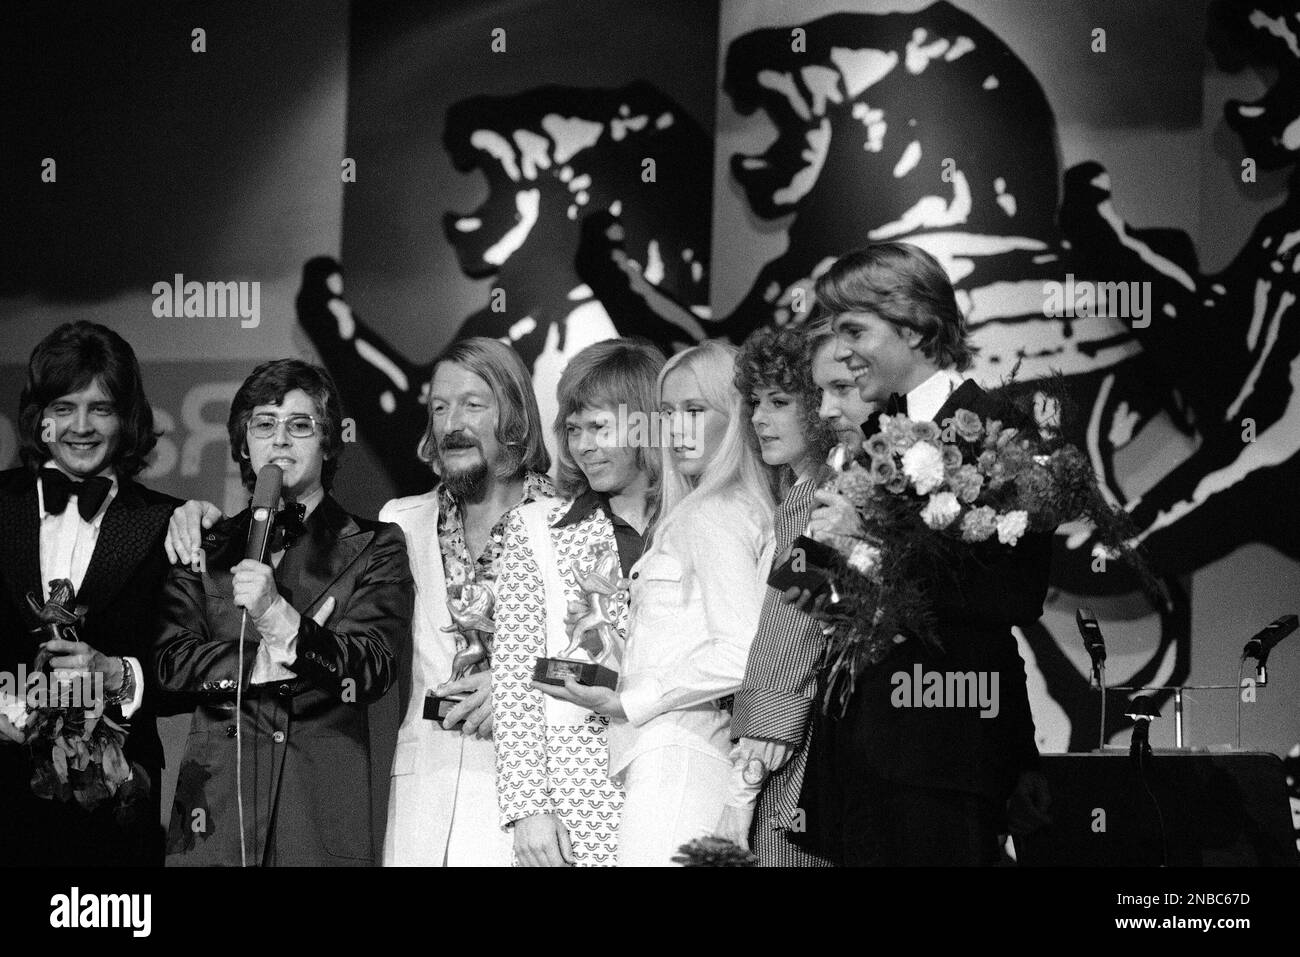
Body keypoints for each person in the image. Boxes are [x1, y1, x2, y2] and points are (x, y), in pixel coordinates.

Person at [794, 241, 1052, 865]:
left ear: (914, 326)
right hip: (859, 749)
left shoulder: (999, 433)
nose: (845, 352)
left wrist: (870, 545)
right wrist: (824, 564)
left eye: (855, 329)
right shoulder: (876, 436)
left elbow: (1013, 595)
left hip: (944, 749)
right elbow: (847, 592)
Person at [153, 358, 412, 866]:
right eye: (264, 425)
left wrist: (280, 618)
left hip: (316, 822)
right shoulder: (203, 544)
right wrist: (259, 664)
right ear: (243, 443)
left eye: (300, 425)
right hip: (214, 825)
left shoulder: (376, 545)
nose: (280, 440)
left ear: (328, 441)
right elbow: (169, 666)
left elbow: (371, 668)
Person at [539, 340, 774, 866]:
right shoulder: (707, 508)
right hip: (679, 752)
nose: (677, 430)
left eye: (696, 411)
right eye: (668, 414)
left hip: (679, 751)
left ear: (737, 414)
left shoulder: (713, 513)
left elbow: (743, 651)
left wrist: (631, 699)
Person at [0, 321, 179, 866]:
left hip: (115, 810)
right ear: (40, 418)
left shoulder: (167, 523)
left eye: (100, 408)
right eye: (64, 407)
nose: (81, 426)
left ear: (126, 420)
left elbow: (193, 668)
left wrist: (119, 674)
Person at [381, 337, 554, 866]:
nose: (451, 422)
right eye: (439, 407)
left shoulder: (568, 521)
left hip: (534, 799)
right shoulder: (399, 523)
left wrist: (517, 687)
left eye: (473, 404)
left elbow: (608, 656)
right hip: (423, 798)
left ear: (517, 416)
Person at [493, 339, 664, 866]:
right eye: (573, 429)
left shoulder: (697, 523)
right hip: (575, 809)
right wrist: (528, 809)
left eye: (600, 427)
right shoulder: (536, 528)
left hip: (680, 782)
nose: (584, 445)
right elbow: (513, 681)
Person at [718, 324, 838, 866]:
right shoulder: (803, 493)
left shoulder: (815, 497)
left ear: (817, 405)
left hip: (799, 740)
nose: (760, 419)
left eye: (780, 402)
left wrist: (757, 750)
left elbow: (796, 614)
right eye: (754, 403)